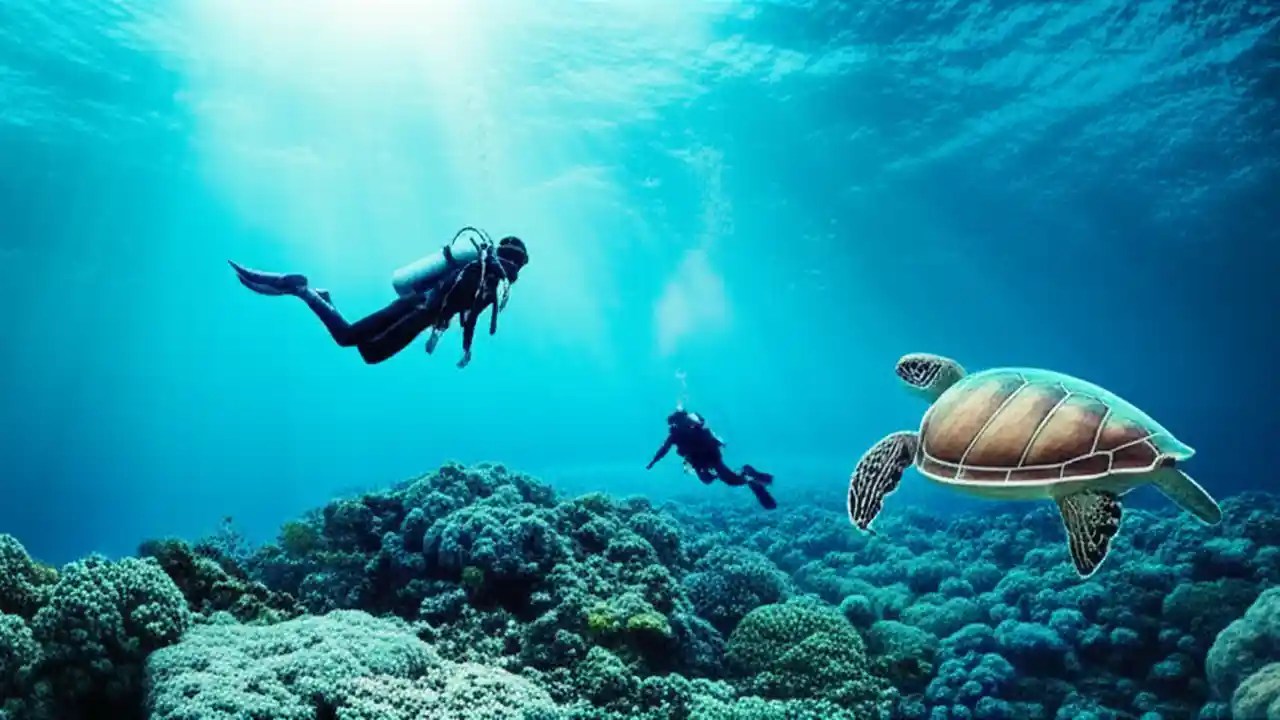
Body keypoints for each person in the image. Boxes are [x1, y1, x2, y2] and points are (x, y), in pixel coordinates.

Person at [228, 228, 528, 368]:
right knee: (350, 339)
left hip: (414, 308)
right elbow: (465, 312)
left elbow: (463, 309)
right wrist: (462, 346)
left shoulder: (483, 271)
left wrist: (463, 347)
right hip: (416, 313)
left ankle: (321, 297)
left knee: (366, 351)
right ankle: (303, 290)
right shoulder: (489, 278)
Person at [645, 408, 777, 509]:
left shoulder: (689, 430)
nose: (676, 426)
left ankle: (748, 475)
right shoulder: (677, 434)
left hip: (711, 458)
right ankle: (747, 475)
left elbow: (664, 449)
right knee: (708, 480)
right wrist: (653, 461)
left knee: (731, 480)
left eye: (677, 423)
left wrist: (653, 461)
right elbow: (664, 449)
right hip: (700, 461)